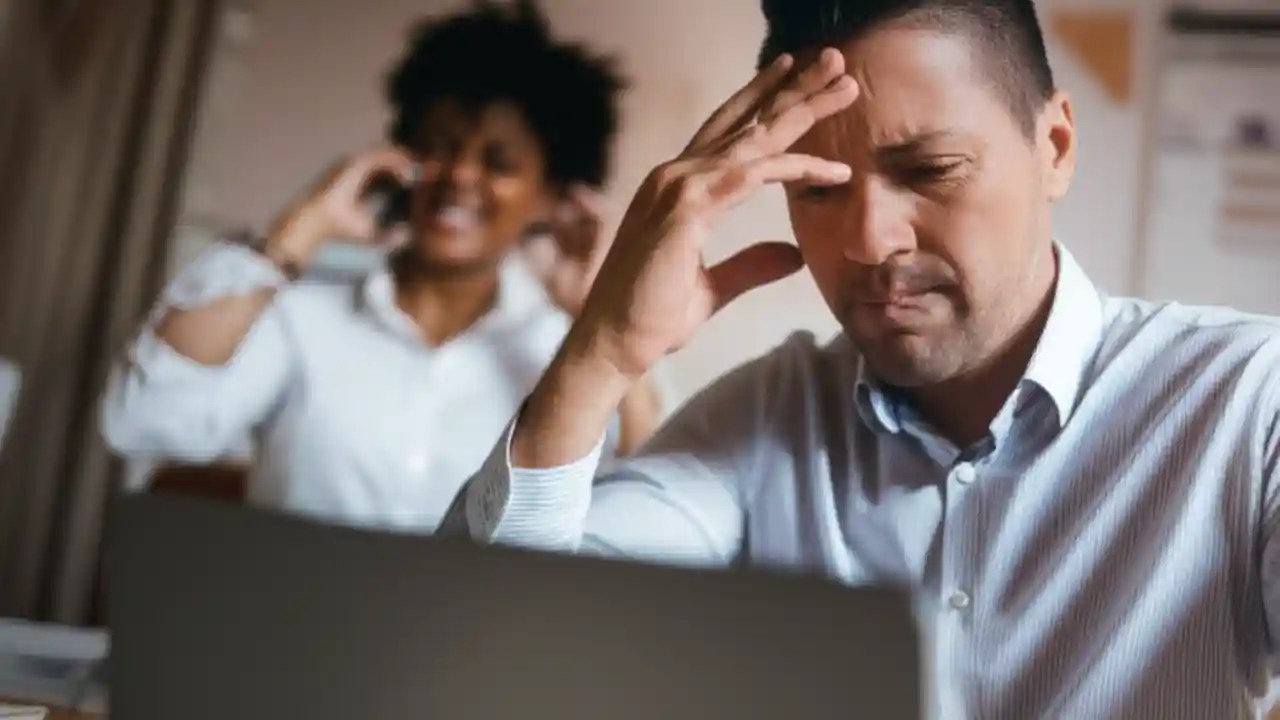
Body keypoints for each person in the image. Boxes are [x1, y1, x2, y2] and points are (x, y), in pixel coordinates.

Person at [443, 0, 1280, 716]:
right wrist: (602, 353)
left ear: (1054, 145)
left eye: (930, 170)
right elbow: (475, 647)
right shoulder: (766, 418)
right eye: (817, 189)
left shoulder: (1249, 399)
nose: (869, 240)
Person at [101, 2, 661, 532]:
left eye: (499, 162)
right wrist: (299, 229)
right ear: (403, 158)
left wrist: (601, 319)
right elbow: (144, 422)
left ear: (551, 197)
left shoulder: (571, 349)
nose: (460, 175)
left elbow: (656, 504)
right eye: (440, 146)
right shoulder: (304, 315)